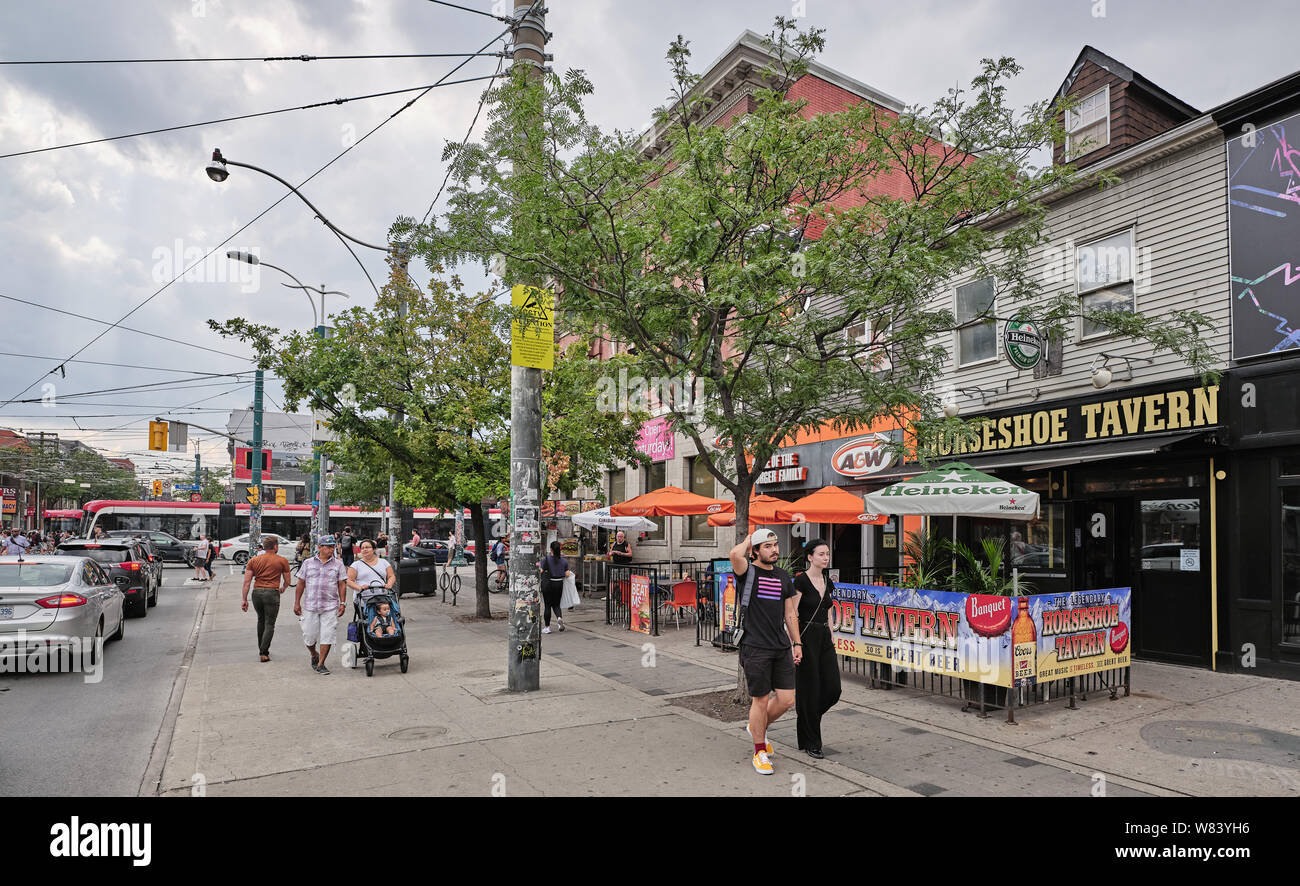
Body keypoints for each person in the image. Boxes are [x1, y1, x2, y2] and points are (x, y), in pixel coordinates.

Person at [729, 528, 801, 776]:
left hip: (781, 646)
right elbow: (734, 554)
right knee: (759, 700)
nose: (775, 550)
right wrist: (749, 539)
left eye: (775, 544)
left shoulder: (783, 576)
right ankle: (759, 750)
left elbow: (790, 613)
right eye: (768, 546)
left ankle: (756, 726)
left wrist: (797, 643)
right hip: (755, 646)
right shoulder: (747, 573)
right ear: (756, 551)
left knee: (786, 699)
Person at [792, 538, 841, 759]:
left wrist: (831, 632)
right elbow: (791, 613)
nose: (826, 557)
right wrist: (795, 642)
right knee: (810, 690)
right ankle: (813, 741)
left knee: (833, 689)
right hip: (806, 635)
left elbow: (828, 611)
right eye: (821, 554)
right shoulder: (800, 581)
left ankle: (806, 719)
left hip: (824, 636)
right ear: (810, 557)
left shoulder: (827, 581)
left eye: (827, 554)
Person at [294, 534, 348, 675]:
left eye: (333, 546)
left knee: (328, 635)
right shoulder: (308, 563)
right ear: (319, 547)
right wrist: (297, 603)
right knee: (309, 636)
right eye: (328, 547)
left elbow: (342, 584)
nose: (331, 549)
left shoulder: (338, 564)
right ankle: (314, 654)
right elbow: (300, 583)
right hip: (310, 606)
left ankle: (321, 663)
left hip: (330, 606)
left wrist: (343, 603)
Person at [241, 536, 292, 662]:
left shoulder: (254, 560)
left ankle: (261, 648)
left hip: (257, 592)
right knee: (270, 623)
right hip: (272, 593)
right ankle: (264, 652)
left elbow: (246, 582)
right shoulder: (282, 560)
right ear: (275, 546)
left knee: (261, 620)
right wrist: (283, 588)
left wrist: (244, 599)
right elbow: (288, 581)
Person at [538, 541, 572, 634]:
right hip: (559, 583)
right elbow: (567, 574)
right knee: (556, 604)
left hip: (548, 584)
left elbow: (541, 571)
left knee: (548, 605)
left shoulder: (546, 559)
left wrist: (539, 567)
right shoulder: (564, 561)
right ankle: (559, 618)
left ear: (551, 549)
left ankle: (547, 627)